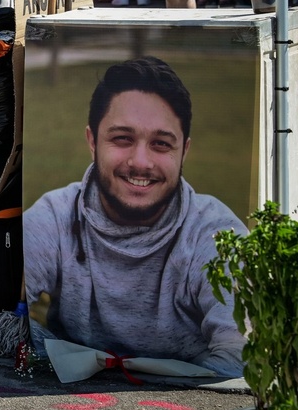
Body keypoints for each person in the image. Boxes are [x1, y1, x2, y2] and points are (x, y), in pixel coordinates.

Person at [24, 57, 247, 377]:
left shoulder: (216, 234)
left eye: (160, 144)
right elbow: (7, 316)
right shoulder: (55, 216)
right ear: (92, 142)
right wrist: (55, 359)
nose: (140, 162)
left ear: (184, 151)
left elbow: (241, 356)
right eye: (122, 138)